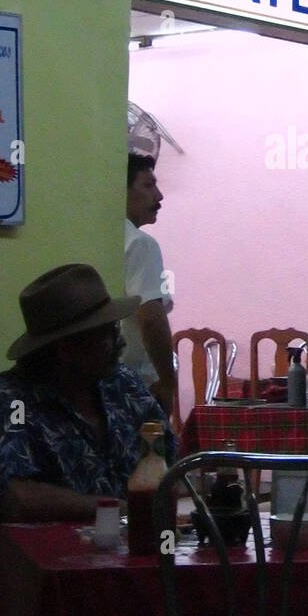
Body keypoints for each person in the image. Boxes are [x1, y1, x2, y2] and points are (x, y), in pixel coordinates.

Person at [0, 263, 173, 522]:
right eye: (107, 334)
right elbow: (16, 499)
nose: (118, 342)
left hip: (140, 551)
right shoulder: (9, 402)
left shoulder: (123, 385)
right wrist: (120, 511)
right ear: (66, 349)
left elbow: (168, 460)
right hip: (56, 557)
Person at [125, 153, 176, 418]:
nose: (159, 196)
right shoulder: (140, 243)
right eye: (147, 185)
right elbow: (150, 317)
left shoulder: (103, 239)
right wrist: (168, 384)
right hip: (138, 388)